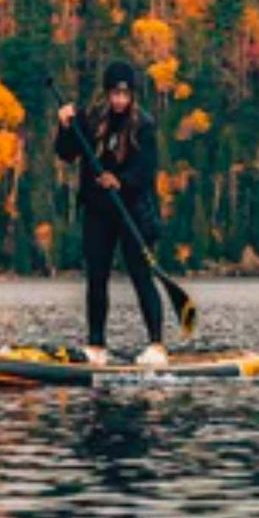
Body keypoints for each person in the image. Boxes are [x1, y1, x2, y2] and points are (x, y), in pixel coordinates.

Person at [54, 59, 166, 367]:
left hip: (133, 212)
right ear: (107, 93)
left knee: (141, 277)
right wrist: (64, 126)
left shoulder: (143, 125)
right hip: (99, 212)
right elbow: (66, 153)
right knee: (96, 279)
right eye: (115, 93)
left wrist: (120, 181)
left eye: (125, 94)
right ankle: (96, 346)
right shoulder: (90, 120)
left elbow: (145, 170)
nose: (119, 99)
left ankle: (156, 345)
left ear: (132, 95)